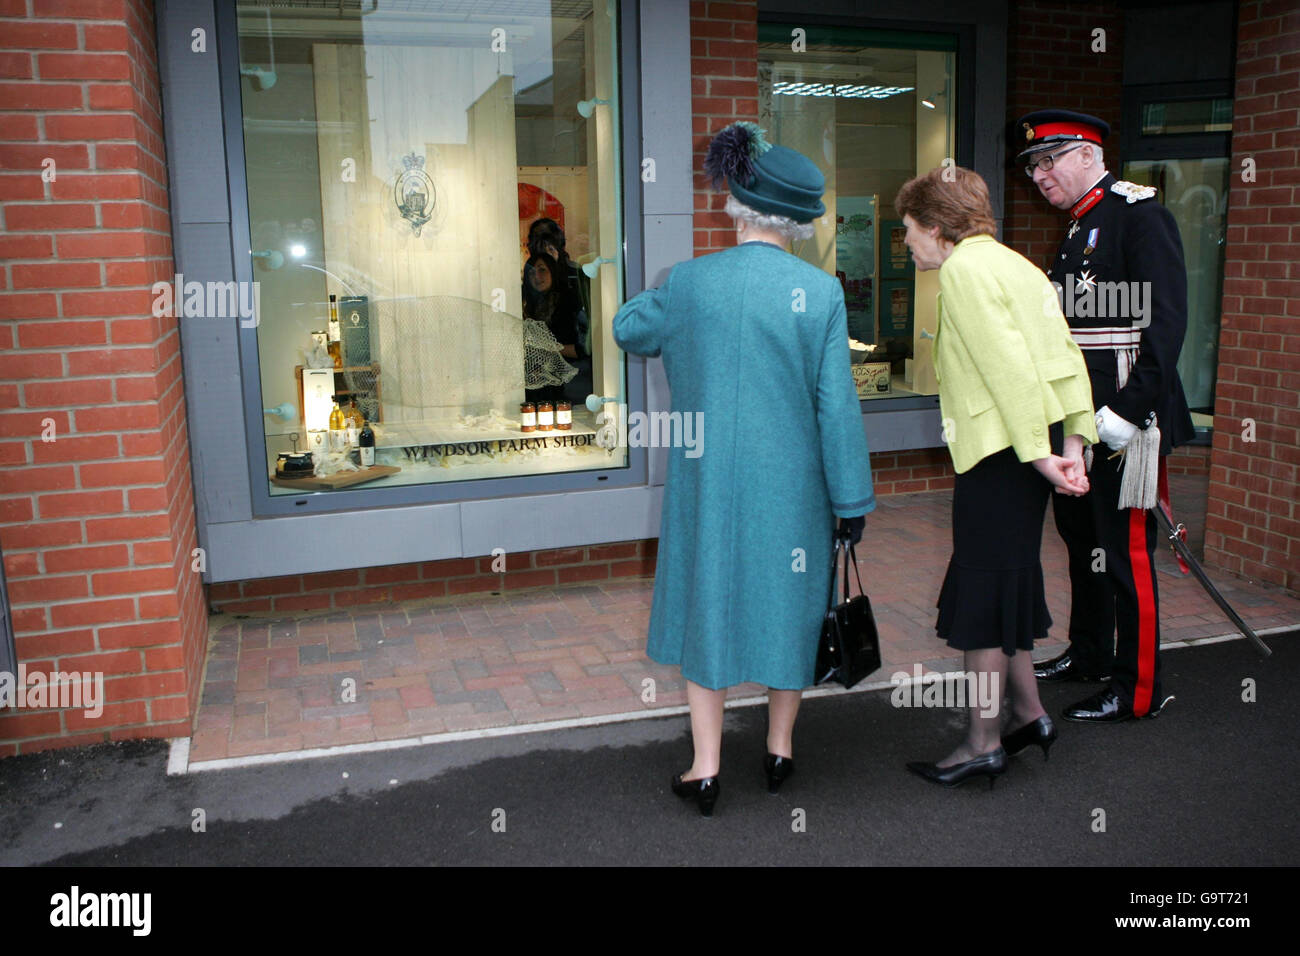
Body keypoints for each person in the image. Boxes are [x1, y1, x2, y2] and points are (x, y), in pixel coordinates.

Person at [613, 122, 874, 816]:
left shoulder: (692, 283)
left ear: (734, 204)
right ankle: (780, 750)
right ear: (797, 222)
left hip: (707, 485)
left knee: (711, 607)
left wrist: (666, 292)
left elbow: (627, 328)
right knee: (790, 607)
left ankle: (704, 767)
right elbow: (836, 408)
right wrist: (852, 499)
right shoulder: (819, 294)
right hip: (795, 488)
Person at [893, 166, 1098, 788]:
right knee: (1006, 582)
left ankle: (982, 741)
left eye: (908, 230)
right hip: (1029, 455)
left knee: (981, 599)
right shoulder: (1019, 265)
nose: (905, 243)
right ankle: (1029, 711)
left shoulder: (963, 271)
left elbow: (1007, 368)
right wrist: (1072, 444)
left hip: (999, 457)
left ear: (936, 226)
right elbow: (1064, 358)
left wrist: (1040, 455)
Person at [1016, 110, 1194, 722]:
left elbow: (1165, 328)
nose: (1040, 175)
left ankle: (1138, 687)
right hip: (1077, 419)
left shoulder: (1139, 215)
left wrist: (1125, 413)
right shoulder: (1078, 225)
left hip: (1124, 420)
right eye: (1034, 165)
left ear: (1089, 154)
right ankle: (1090, 653)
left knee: (1126, 555)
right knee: (1081, 540)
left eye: (1050, 160)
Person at [522, 251, 588, 404]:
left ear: (553, 271)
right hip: (538, 389)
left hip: (571, 385)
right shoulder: (528, 307)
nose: (537, 277)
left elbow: (584, 348)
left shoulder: (570, 303)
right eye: (531, 273)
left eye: (542, 270)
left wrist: (545, 349)